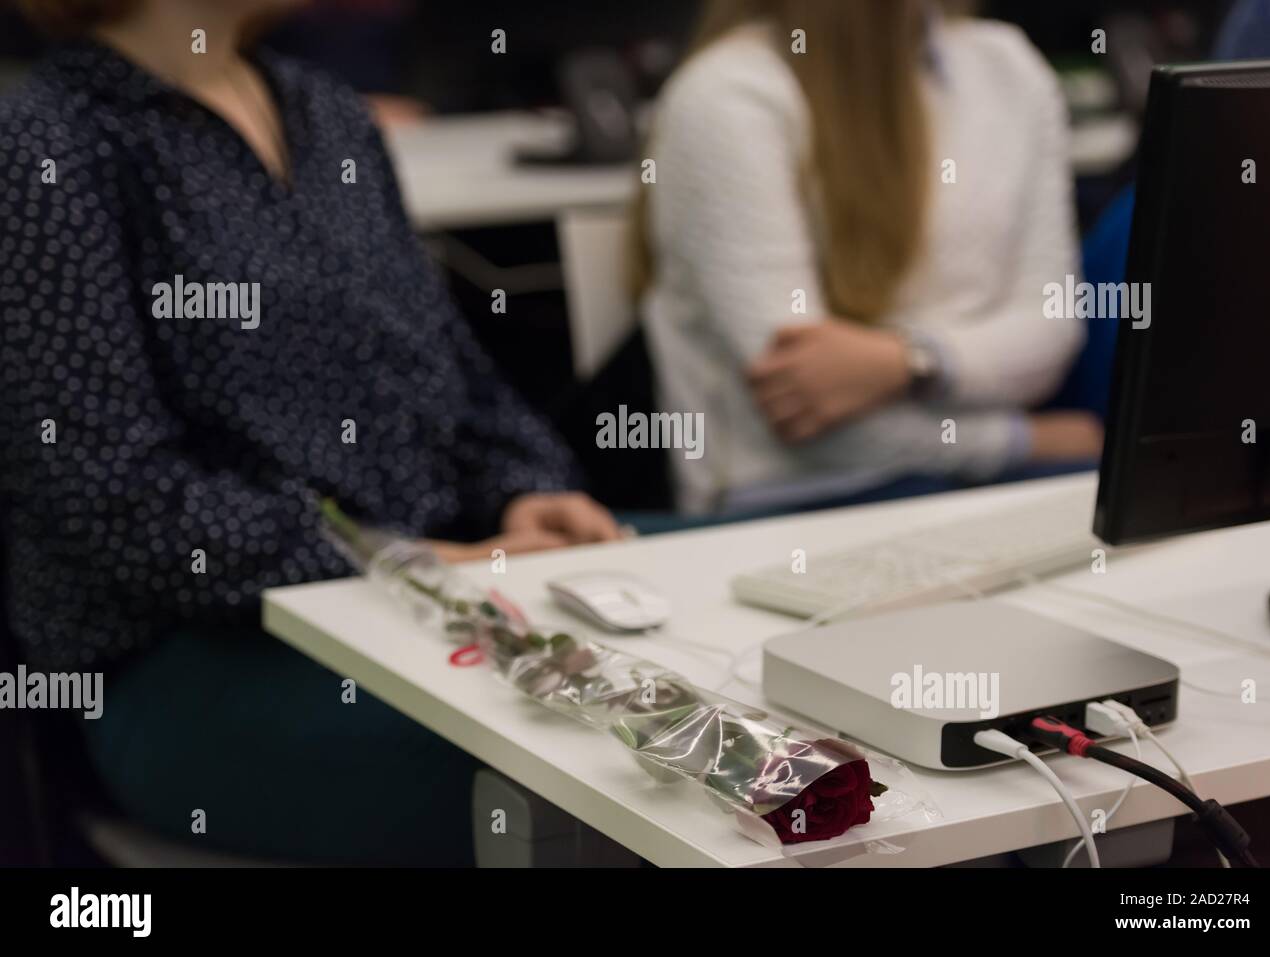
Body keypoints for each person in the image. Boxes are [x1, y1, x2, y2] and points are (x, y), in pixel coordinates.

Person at [0, 0, 620, 865]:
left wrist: (528, 486)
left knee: (729, 682)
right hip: (196, 669)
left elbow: (446, 364)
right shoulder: (44, 143)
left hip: (428, 595)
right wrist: (397, 561)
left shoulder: (326, 111)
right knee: (599, 776)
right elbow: (111, 497)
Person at [631, 0, 1103, 515]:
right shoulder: (728, 97)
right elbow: (805, 416)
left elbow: (1052, 330)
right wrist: (1022, 440)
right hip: (797, 504)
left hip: (984, 487)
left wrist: (909, 363)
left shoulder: (1008, 65)